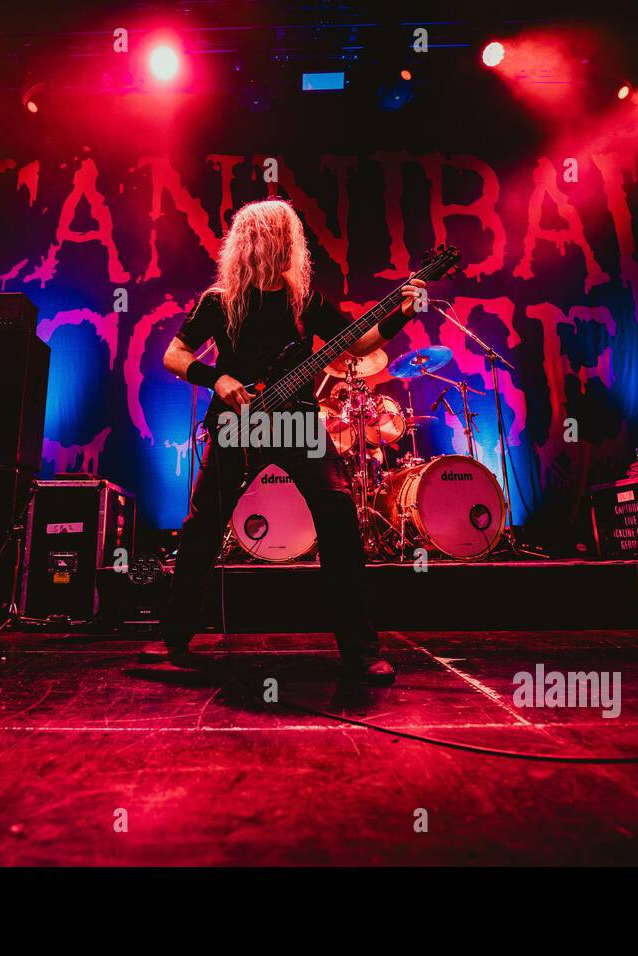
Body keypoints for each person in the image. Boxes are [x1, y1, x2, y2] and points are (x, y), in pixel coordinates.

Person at [140, 199, 426, 685]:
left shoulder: (304, 301)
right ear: (250, 243)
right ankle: (174, 636)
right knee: (204, 525)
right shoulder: (220, 300)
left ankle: (361, 651)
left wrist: (403, 313)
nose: (277, 244)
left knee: (338, 518)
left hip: (298, 423)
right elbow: (174, 353)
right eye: (268, 235)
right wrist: (217, 378)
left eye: (281, 236)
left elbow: (357, 344)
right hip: (239, 424)